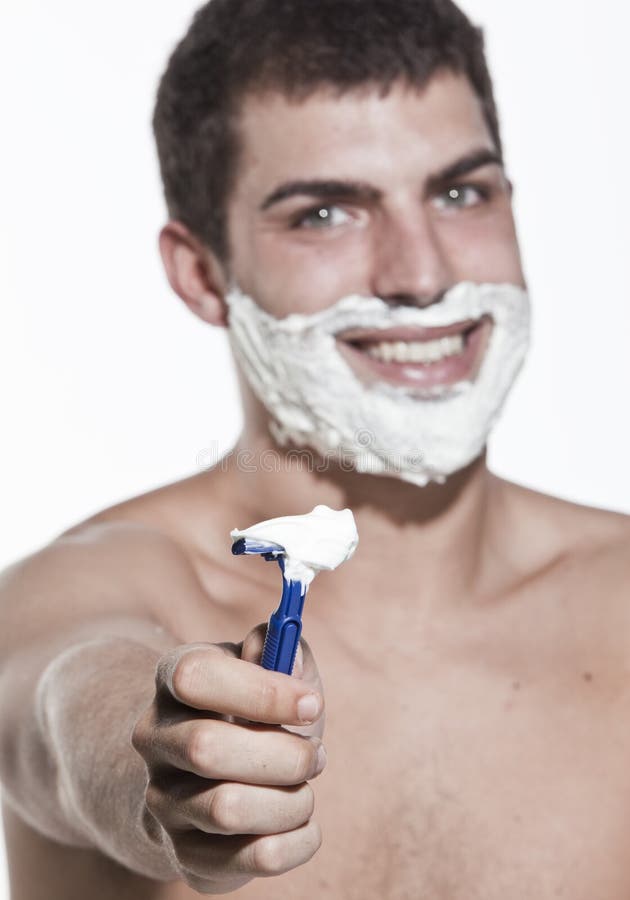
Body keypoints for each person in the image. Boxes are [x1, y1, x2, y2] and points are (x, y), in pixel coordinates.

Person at [1, 0, 629, 897]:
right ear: (202, 273)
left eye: (461, 193)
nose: (423, 275)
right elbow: (60, 716)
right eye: (326, 213)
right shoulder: (79, 591)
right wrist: (163, 770)